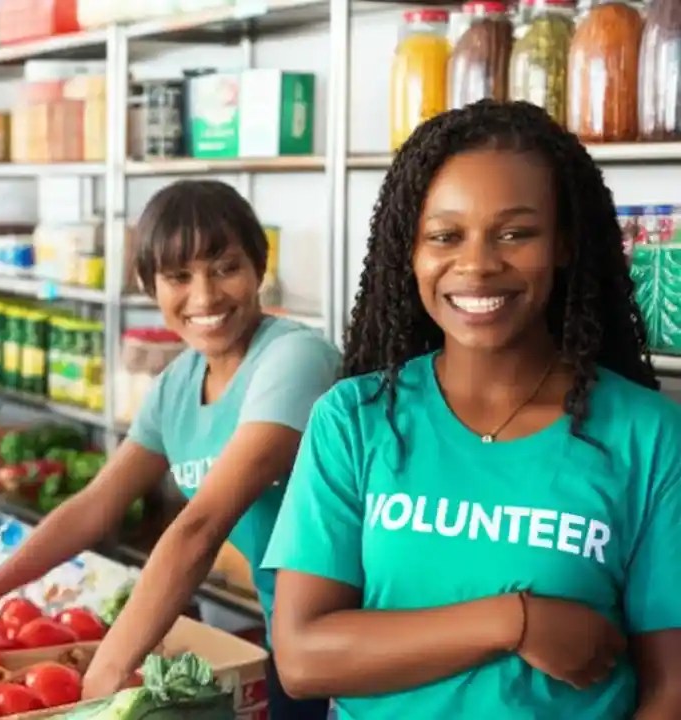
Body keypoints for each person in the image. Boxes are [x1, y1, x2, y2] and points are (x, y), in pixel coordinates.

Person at [262, 100, 681, 718]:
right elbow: (301, 660)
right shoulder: (353, 420)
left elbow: (669, 688)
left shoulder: (649, 434)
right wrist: (512, 621)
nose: (479, 264)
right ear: (410, 250)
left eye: (516, 233)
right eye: (445, 235)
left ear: (564, 243)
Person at [0, 180, 340, 718]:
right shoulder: (178, 385)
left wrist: (107, 669)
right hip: (291, 634)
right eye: (179, 276)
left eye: (225, 267)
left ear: (258, 268)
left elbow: (201, 528)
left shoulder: (294, 360)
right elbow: (94, 506)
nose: (204, 297)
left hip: (353, 637)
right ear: (147, 284)